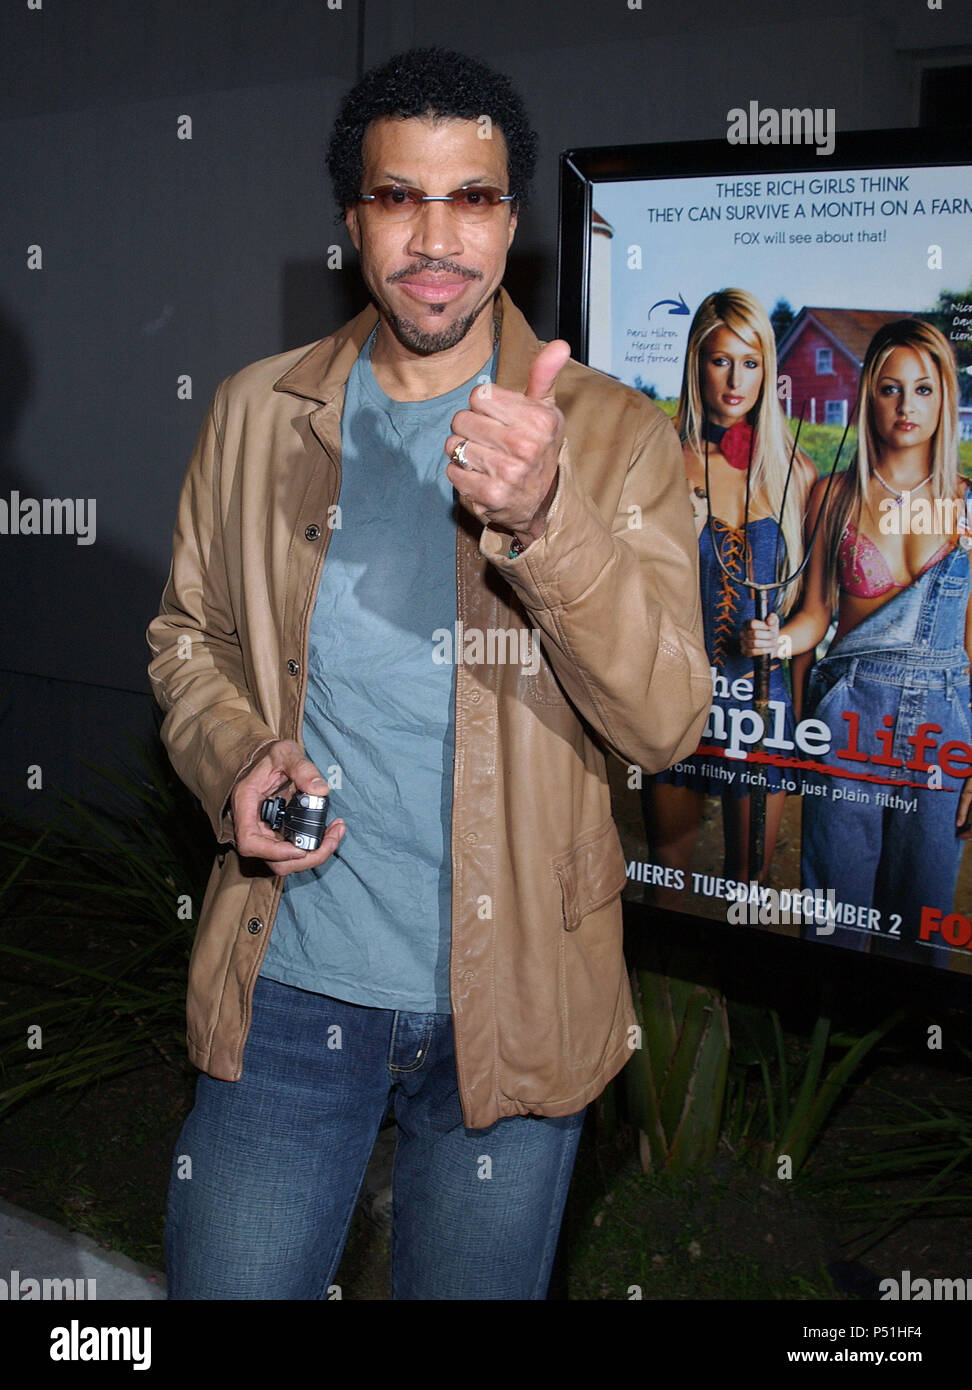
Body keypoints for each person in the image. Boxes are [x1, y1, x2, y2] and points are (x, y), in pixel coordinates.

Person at [145, 47, 710, 1300]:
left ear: (514, 220)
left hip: (516, 1007)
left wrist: (549, 520)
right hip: (289, 987)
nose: (436, 238)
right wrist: (235, 755)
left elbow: (666, 723)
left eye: (472, 199)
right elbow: (187, 637)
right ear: (352, 218)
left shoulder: (614, 438)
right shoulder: (254, 412)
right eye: (400, 198)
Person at [744, 318, 972, 963]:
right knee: (835, 900)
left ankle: (906, 1043)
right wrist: (778, 641)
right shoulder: (836, 496)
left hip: (945, 725)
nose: (907, 406)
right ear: (869, 394)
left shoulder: (967, 506)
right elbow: (816, 614)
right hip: (849, 715)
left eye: (924, 390)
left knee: (924, 908)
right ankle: (828, 1038)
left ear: (944, 399)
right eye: (891, 389)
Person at [643, 288, 814, 896]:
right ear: (696, 364)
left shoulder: (794, 471)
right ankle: (659, 991)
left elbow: (810, 609)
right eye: (720, 360)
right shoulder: (658, 453)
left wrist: (781, 640)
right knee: (669, 873)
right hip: (677, 697)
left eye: (751, 361)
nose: (735, 379)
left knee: (754, 882)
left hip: (763, 704)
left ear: (768, 367)